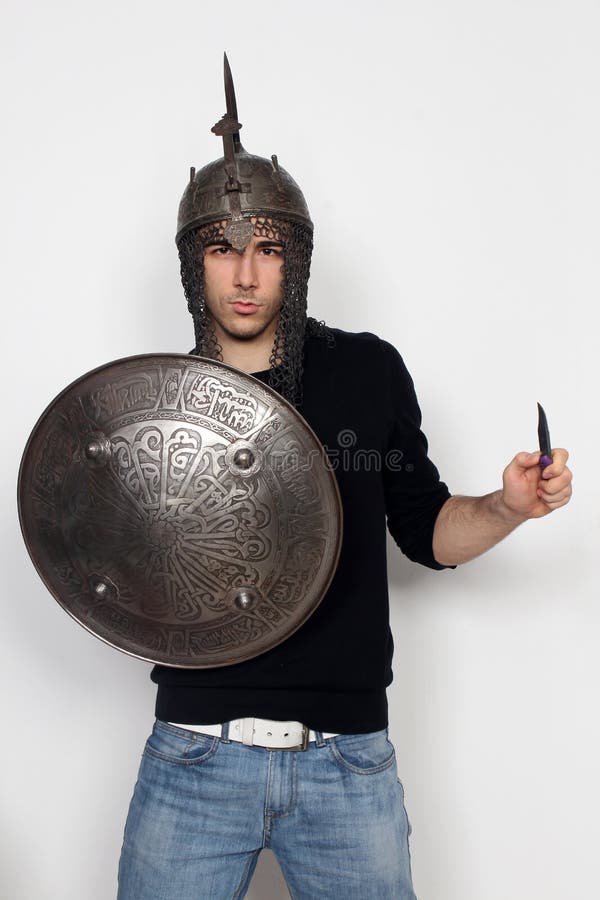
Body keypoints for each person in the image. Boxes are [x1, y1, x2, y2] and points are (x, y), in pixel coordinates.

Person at [117, 57, 572, 900]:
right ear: (194, 264)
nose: (247, 275)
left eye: (269, 249)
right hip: (192, 753)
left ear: (297, 259)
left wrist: (507, 507)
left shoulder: (365, 373)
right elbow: (113, 563)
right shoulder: (157, 411)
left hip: (345, 762)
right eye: (223, 250)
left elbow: (426, 530)